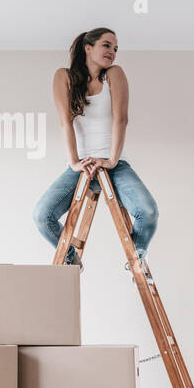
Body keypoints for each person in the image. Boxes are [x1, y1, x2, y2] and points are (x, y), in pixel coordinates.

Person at [33, 26, 158, 268]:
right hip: (81, 167)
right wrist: (74, 162)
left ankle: (136, 259)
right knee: (42, 215)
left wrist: (111, 161)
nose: (112, 51)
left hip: (115, 165)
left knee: (148, 211)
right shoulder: (64, 77)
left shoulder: (114, 75)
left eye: (115, 48)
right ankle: (72, 261)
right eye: (106, 45)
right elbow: (64, 121)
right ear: (88, 48)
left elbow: (121, 118)